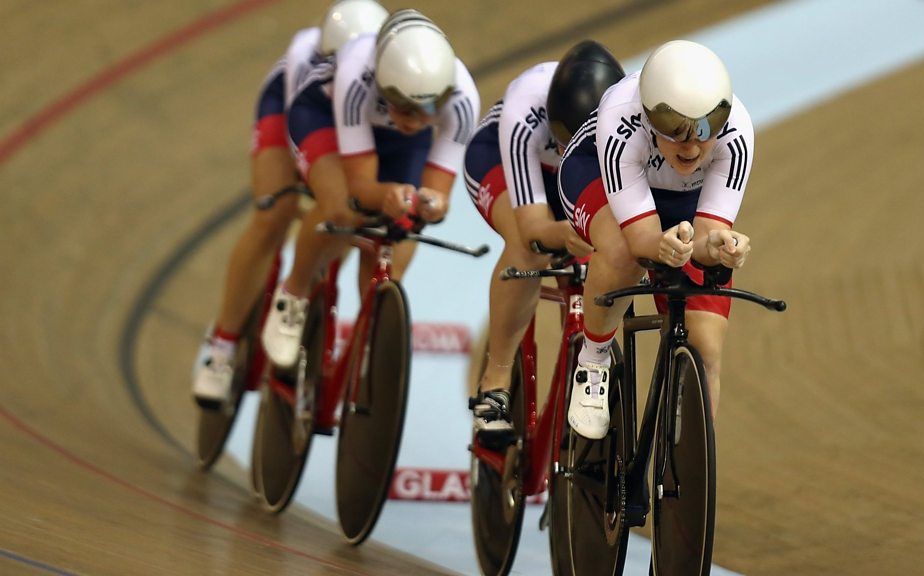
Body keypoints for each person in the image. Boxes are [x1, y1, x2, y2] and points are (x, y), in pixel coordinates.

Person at [191, 0, 388, 408]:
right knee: (275, 214)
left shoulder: (377, 79)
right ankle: (222, 346)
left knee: (375, 221)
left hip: (358, 122)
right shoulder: (306, 62)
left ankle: (359, 329)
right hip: (291, 111)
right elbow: (307, 148)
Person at [260, 9, 480, 368]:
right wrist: (388, 195)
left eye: (428, 109)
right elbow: (362, 190)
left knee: (404, 223)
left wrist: (430, 205)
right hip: (323, 117)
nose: (416, 119)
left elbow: (438, 195)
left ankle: (373, 323)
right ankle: (292, 295)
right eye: (405, 107)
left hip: (393, 140)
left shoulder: (462, 100)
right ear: (383, 84)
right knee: (344, 209)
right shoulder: (356, 74)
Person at [557, 40, 754, 439]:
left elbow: (705, 238)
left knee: (707, 346)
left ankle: (686, 457)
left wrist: (716, 247)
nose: (692, 145)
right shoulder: (621, 120)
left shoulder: (738, 134)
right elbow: (640, 238)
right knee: (620, 250)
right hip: (594, 177)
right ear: (649, 120)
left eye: (704, 130)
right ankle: (592, 363)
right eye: (676, 131)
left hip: (683, 199)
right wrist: (660, 247)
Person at [463, 41, 625, 444]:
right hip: (501, 163)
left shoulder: (626, 116)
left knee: (599, 262)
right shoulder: (526, 111)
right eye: (564, 138)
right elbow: (536, 227)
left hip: (581, 176)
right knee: (527, 248)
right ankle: (495, 382)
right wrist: (565, 234)